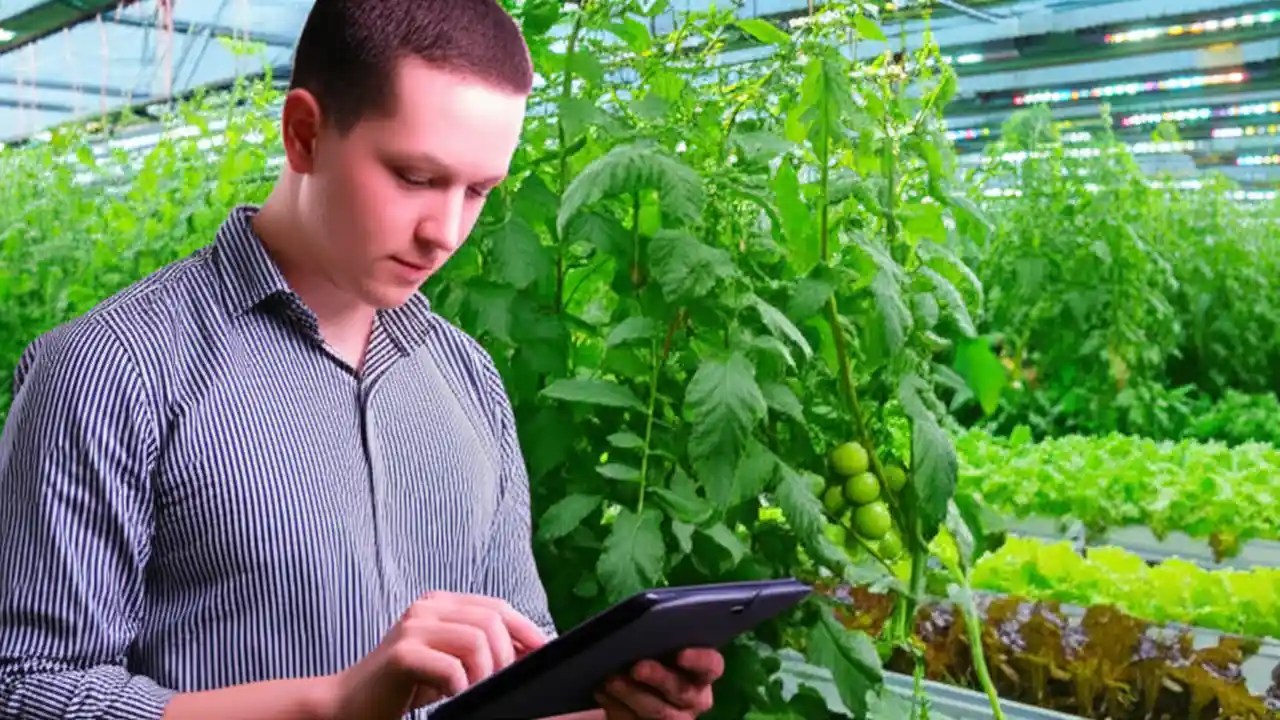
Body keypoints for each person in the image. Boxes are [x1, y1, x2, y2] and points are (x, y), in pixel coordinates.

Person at [0, 1, 724, 718]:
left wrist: (607, 711)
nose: (445, 232)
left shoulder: (466, 379)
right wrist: (336, 704)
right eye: (415, 177)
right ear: (304, 133)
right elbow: (28, 690)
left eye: (478, 191)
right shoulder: (109, 369)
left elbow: (507, 687)